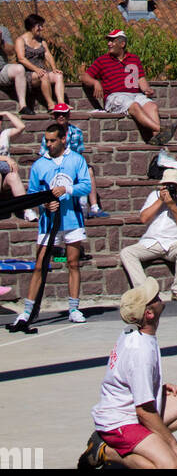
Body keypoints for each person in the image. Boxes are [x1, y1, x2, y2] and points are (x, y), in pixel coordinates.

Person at [80, 278, 177, 470]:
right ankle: (105, 451)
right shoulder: (140, 352)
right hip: (121, 421)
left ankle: (145, 445)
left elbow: (126, 375)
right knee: (171, 464)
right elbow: (144, 411)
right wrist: (172, 444)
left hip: (132, 409)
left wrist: (155, 386)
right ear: (148, 313)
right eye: (155, 298)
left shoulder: (133, 330)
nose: (159, 298)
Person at [12, 121, 91, 327]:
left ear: (63, 139)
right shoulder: (39, 165)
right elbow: (32, 193)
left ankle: (74, 308)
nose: (49, 144)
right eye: (46, 140)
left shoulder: (77, 160)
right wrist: (45, 203)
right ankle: (27, 311)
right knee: (40, 265)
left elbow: (85, 186)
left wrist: (67, 190)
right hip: (48, 223)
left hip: (72, 220)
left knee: (73, 263)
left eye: (53, 140)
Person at [82, 30, 174, 145]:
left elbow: (141, 79)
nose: (109, 44)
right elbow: (85, 77)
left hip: (135, 95)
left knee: (152, 106)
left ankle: (157, 139)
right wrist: (95, 82)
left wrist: (146, 89)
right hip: (115, 97)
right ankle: (160, 130)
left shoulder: (134, 59)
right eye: (109, 41)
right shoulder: (102, 60)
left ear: (122, 44)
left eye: (112, 41)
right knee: (134, 106)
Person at [120, 169, 177, 303]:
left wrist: (172, 205)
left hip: (174, 242)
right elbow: (143, 218)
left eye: (173, 186)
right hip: (152, 242)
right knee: (127, 253)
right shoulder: (154, 196)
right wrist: (160, 201)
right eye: (167, 185)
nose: (170, 189)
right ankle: (146, 292)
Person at [39, 101, 106, 220]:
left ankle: (94, 207)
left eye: (64, 114)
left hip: (72, 163)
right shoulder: (49, 134)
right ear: (54, 116)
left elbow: (79, 154)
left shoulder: (77, 132)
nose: (61, 116)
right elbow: (44, 155)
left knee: (88, 171)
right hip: (53, 163)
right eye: (58, 114)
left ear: (68, 115)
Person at [14, 13, 64, 109]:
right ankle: (50, 104)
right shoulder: (20, 40)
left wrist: (54, 68)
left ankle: (61, 103)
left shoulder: (41, 41)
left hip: (42, 70)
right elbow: (21, 58)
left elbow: (48, 55)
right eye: (39, 26)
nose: (41, 28)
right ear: (32, 26)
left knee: (58, 75)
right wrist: (36, 69)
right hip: (28, 73)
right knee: (43, 75)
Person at [0, 22, 28, 111]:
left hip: (1, 70)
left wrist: (1, 41)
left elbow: (10, 52)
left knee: (19, 69)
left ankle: (23, 105)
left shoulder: (3, 30)